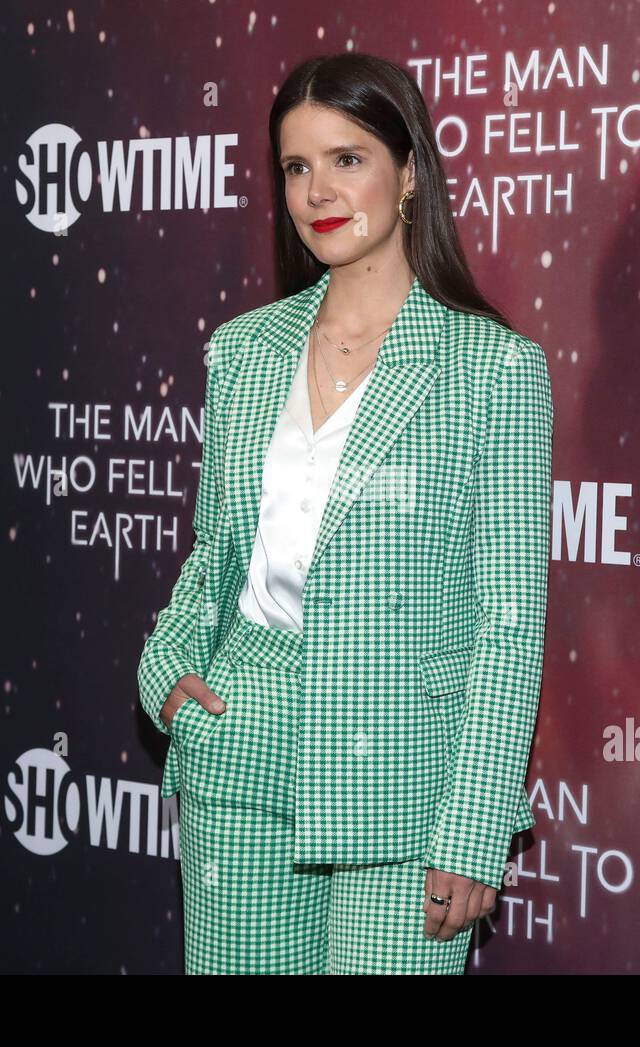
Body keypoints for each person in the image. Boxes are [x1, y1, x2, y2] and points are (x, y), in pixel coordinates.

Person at [137, 52, 553, 974]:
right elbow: (215, 557)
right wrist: (167, 665)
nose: (318, 190)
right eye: (296, 167)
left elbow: (510, 625)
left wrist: (477, 822)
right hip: (238, 752)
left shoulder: (494, 371)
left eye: (348, 158)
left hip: (402, 777)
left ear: (409, 173)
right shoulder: (244, 351)